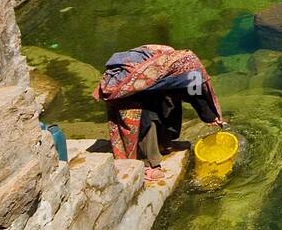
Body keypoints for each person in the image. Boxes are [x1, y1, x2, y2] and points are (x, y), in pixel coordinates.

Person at [93, 45, 225, 181]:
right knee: (146, 116)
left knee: (170, 99)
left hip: (149, 84)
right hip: (125, 87)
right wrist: (210, 116)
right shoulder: (175, 68)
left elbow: (193, 93)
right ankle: (148, 163)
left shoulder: (183, 66)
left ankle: (163, 143)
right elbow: (194, 92)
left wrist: (210, 116)